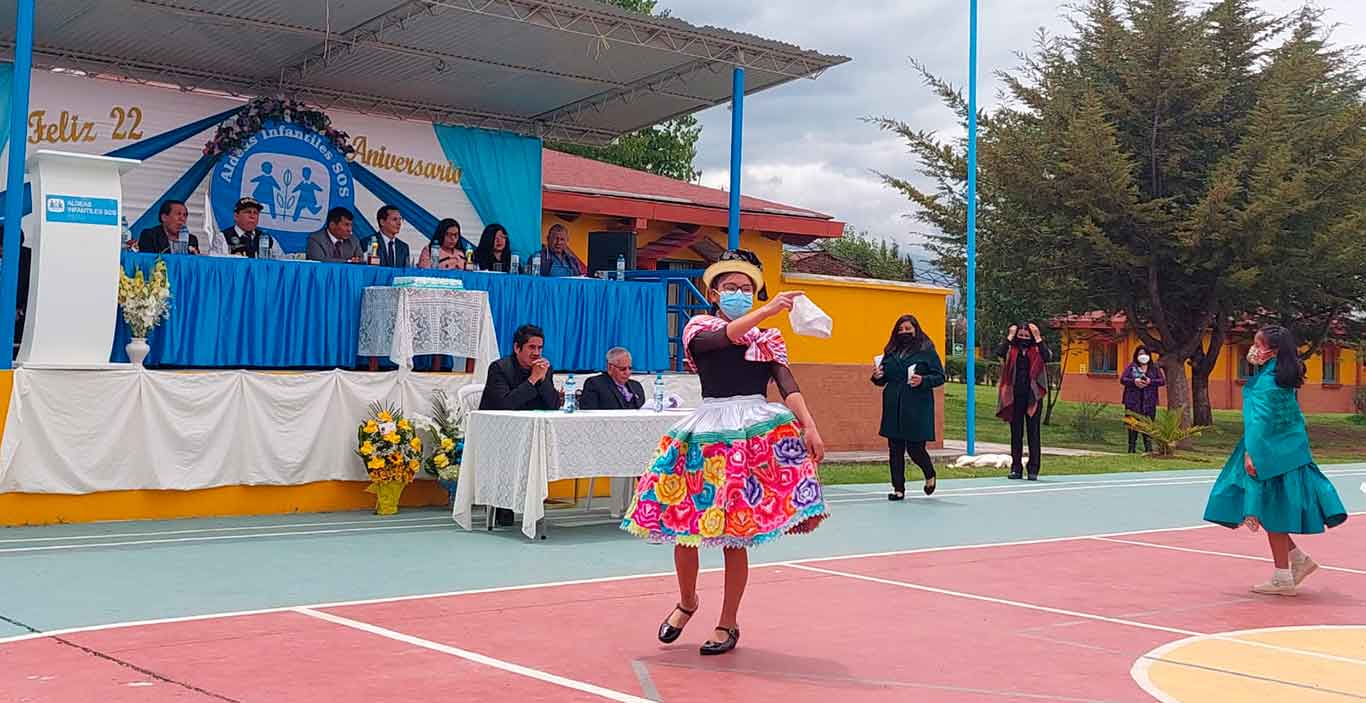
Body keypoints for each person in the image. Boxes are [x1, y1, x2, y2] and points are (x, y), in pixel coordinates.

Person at [621, 249, 828, 656]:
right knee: (687, 526)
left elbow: (787, 384)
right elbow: (724, 339)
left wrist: (810, 424)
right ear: (713, 293)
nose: (738, 293)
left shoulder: (768, 338)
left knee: (736, 536)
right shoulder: (699, 327)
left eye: (746, 288)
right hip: (709, 429)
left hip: (752, 432)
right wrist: (768, 310)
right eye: (730, 287)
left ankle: (728, 622)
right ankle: (687, 602)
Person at [1203, 325, 1347, 596]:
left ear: (1272, 350)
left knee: (1271, 511)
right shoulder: (1283, 378)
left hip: (1267, 454)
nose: (1253, 349)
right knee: (1273, 510)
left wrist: (1251, 454)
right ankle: (1296, 562)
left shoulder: (1267, 383)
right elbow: (1293, 420)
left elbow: (1259, 422)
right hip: (1289, 452)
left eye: (1258, 344)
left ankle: (1284, 576)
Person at [479, 324, 558, 528]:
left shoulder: (544, 370)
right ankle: (504, 505)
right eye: (531, 347)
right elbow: (505, 405)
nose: (536, 353)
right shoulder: (499, 368)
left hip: (532, 431)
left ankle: (535, 504)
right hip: (499, 432)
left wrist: (542, 380)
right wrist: (532, 380)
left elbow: (553, 405)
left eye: (540, 348)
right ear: (517, 348)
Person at [872, 314, 945, 500]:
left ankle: (929, 473)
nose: (904, 332)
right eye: (900, 329)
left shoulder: (926, 350)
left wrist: (923, 380)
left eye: (908, 329)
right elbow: (883, 380)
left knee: (915, 449)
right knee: (895, 450)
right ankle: (898, 489)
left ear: (916, 330)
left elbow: (939, 376)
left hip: (917, 406)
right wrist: (878, 376)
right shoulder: (890, 351)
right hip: (893, 406)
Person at [995, 322, 1052, 480]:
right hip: (1015, 397)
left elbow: (1047, 356)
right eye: (1021, 335)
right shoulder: (1011, 351)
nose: (1024, 338)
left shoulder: (1037, 350)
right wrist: (1010, 335)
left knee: (1034, 433)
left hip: (1033, 397)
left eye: (1027, 336)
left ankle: (1033, 469)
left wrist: (1038, 337)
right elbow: (999, 352)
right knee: (1016, 434)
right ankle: (1016, 468)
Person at [1120, 346, 1165, 454]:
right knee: (1132, 425)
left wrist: (1150, 381)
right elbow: (1123, 379)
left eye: (1144, 353)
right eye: (1140, 354)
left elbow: (1162, 381)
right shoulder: (1132, 367)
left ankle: (1148, 448)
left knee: (1148, 425)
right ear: (1136, 355)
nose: (1142, 356)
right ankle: (1131, 448)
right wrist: (1134, 381)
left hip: (1149, 402)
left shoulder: (1154, 368)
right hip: (1133, 401)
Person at [209, 197, 282, 258]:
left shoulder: (268, 239)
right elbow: (217, 265)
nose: (252, 216)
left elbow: (282, 262)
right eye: (248, 212)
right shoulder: (223, 237)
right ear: (236, 216)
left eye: (255, 213)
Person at [580, 347, 645, 410]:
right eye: (622, 369)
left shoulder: (637, 386)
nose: (627, 373)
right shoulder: (594, 384)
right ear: (610, 368)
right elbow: (589, 415)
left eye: (630, 368)